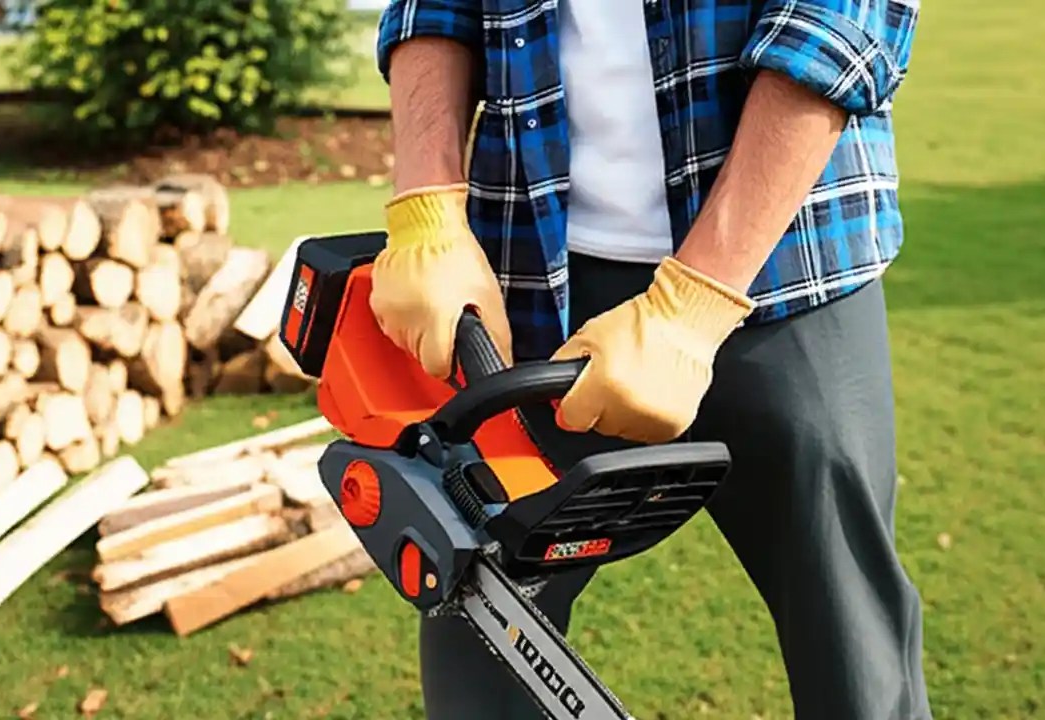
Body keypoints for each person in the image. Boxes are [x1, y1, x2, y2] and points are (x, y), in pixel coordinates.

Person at [368, 1, 929, 718]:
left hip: (789, 272)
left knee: (852, 647)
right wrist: (427, 204)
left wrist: (695, 304)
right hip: (534, 275)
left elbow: (838, 23)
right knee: (476, 625)